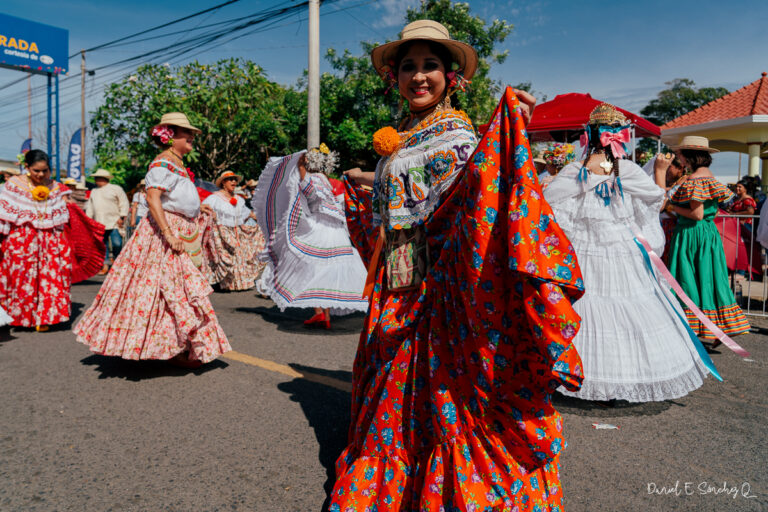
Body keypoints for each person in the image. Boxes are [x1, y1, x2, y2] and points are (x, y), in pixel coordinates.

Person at [333, 20, 583, 510]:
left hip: (441, 290)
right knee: (396, 394)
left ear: (452, 77)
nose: (419, 76)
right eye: (408, 67)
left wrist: (508, 128)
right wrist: (362, 183)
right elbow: (398, 205)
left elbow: (477, 193)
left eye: (430, 66)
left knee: (448, 397)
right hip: (396, 286)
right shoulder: (402, 137)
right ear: (395, 78)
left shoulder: (457, 135)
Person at [544, 104, 711, 403]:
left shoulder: (576, 170)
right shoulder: (625, 169)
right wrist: (657, 175)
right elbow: (655, 200)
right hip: (620, 247)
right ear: (617, 136)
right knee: (626, 311)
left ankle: (579, 375)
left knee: (585, 310)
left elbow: (547, 203)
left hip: (586, 251)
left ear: (589, 136)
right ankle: (621, 382)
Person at [74, 112, 230, 367]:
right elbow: (153, 198)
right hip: (163, 236)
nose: (191, 137)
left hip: (181, 231)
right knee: (168, 291)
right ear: (170, 137)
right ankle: (176, 348)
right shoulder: (161, 164)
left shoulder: (177, 165)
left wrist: (197, 208)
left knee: (177, 291)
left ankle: (179, 346)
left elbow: (176, 198)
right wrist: (169, 234)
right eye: (185, 133)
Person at [253, 145, 368, 329]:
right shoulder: (326, 181)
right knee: (327, 272)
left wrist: (299, 165)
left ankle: (319, 313)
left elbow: (305, 190)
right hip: (336, 231)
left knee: (311, 269)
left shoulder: (310, 179)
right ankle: (324, 315)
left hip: (320, 228)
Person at [667, 135, 750, 342]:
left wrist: (672, 207)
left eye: (681, 154)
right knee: (709, 277)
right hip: (707, 234)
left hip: (692, 234)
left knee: (689, 278)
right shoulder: (710, 177)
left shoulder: (695, 180)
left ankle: (693, 327)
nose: (679, 158)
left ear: (689, 156)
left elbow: (696, 214)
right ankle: (714, 325)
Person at [0, 150, 71, 331]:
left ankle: (43, 317)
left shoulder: (54, 187)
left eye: (44, 171)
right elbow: (4, 215)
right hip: (20, 240)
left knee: (48, 278)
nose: (40, 175)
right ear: (26, 167)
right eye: (36, 171)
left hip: (48, 240)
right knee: (20, 278)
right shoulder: (13, 185)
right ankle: (20, 317)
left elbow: (61, 219)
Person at [201, 170, 266, 291]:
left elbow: (247, 213)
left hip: (237, 231)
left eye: (235, 179)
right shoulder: (214, 198)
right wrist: (212, 215)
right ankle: (225, 283)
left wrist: (263, 220)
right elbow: (203, 209)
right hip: (221, 232)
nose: (234, 181)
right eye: (230, 179)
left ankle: (237, 284)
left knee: (238, 256)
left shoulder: (238, 199)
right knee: (227, 258)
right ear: (223, 183)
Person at [85, 168, 129, 274]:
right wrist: (88, 220)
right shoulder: (94, 192)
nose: (96, 180)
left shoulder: (115, 188)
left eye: (97, 178)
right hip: (99, 222)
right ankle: (105, 265)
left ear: (104, 179)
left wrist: (122, 216)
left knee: (117, 243)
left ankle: (116, 262)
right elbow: (90, 207)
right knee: (102, 245)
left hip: (114, 221)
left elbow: (123, 202)